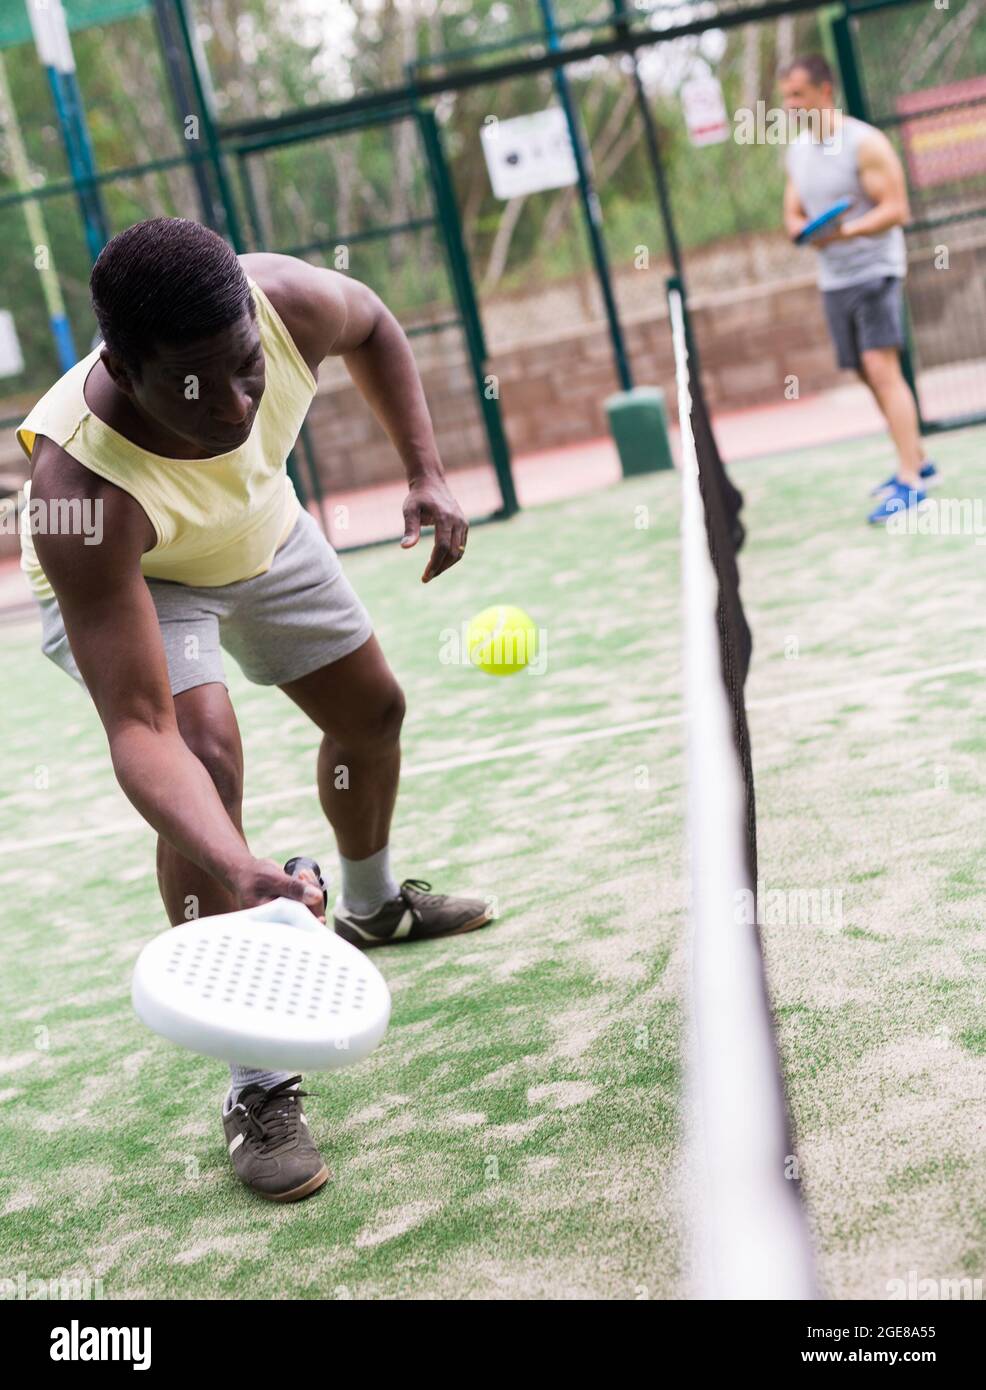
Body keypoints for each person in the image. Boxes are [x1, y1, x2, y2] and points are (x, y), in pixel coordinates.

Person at [17, 217, 493, 1202]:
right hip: (141, 573)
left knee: (372, 712)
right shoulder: (77, 487)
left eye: (247, 370)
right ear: (122, 363)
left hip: (255, 525)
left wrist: (425, 469)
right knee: (205, 750)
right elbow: (143, 733)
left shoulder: (283, 302)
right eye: (198, 384)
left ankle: (370, 903)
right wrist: (236, 865)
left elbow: (375, 330)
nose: (237, 402)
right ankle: (255, 1076)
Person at [779, 54, 937, 524]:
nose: (789, 105)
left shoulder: (864, 144)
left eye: (797, 95)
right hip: (834, 278)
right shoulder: (797, 151)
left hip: (875, 271)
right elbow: (791, 213)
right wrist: (804, 231)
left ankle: (911, 483)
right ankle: (920, 458)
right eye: (785, 96)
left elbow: (897, 209)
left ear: (824, 92)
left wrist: (844, 234)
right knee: (867, 375)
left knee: (880, 367)